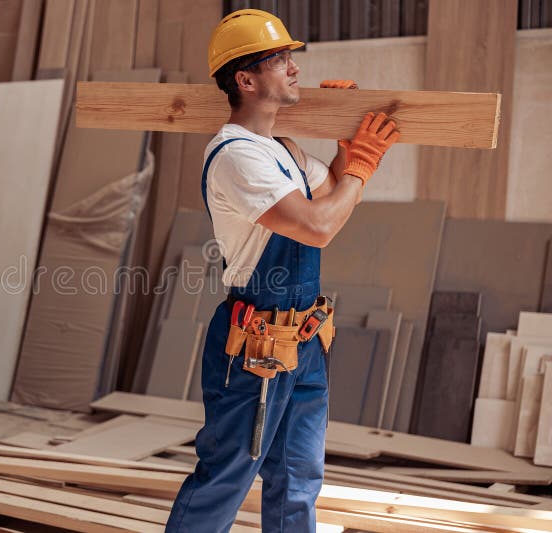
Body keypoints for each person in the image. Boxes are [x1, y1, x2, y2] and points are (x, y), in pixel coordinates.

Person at [165, 9, 400, 533]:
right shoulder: (235, 155)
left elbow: (334, 192)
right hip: (257, 345)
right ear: (245, 80)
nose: (293, 67)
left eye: (291, 56)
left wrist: (346, 145)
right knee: (226, 477)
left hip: (306, 340)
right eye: (279, 59)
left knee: (298, 480)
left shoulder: (281, 149)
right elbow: (317, 227)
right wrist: (361, 167)